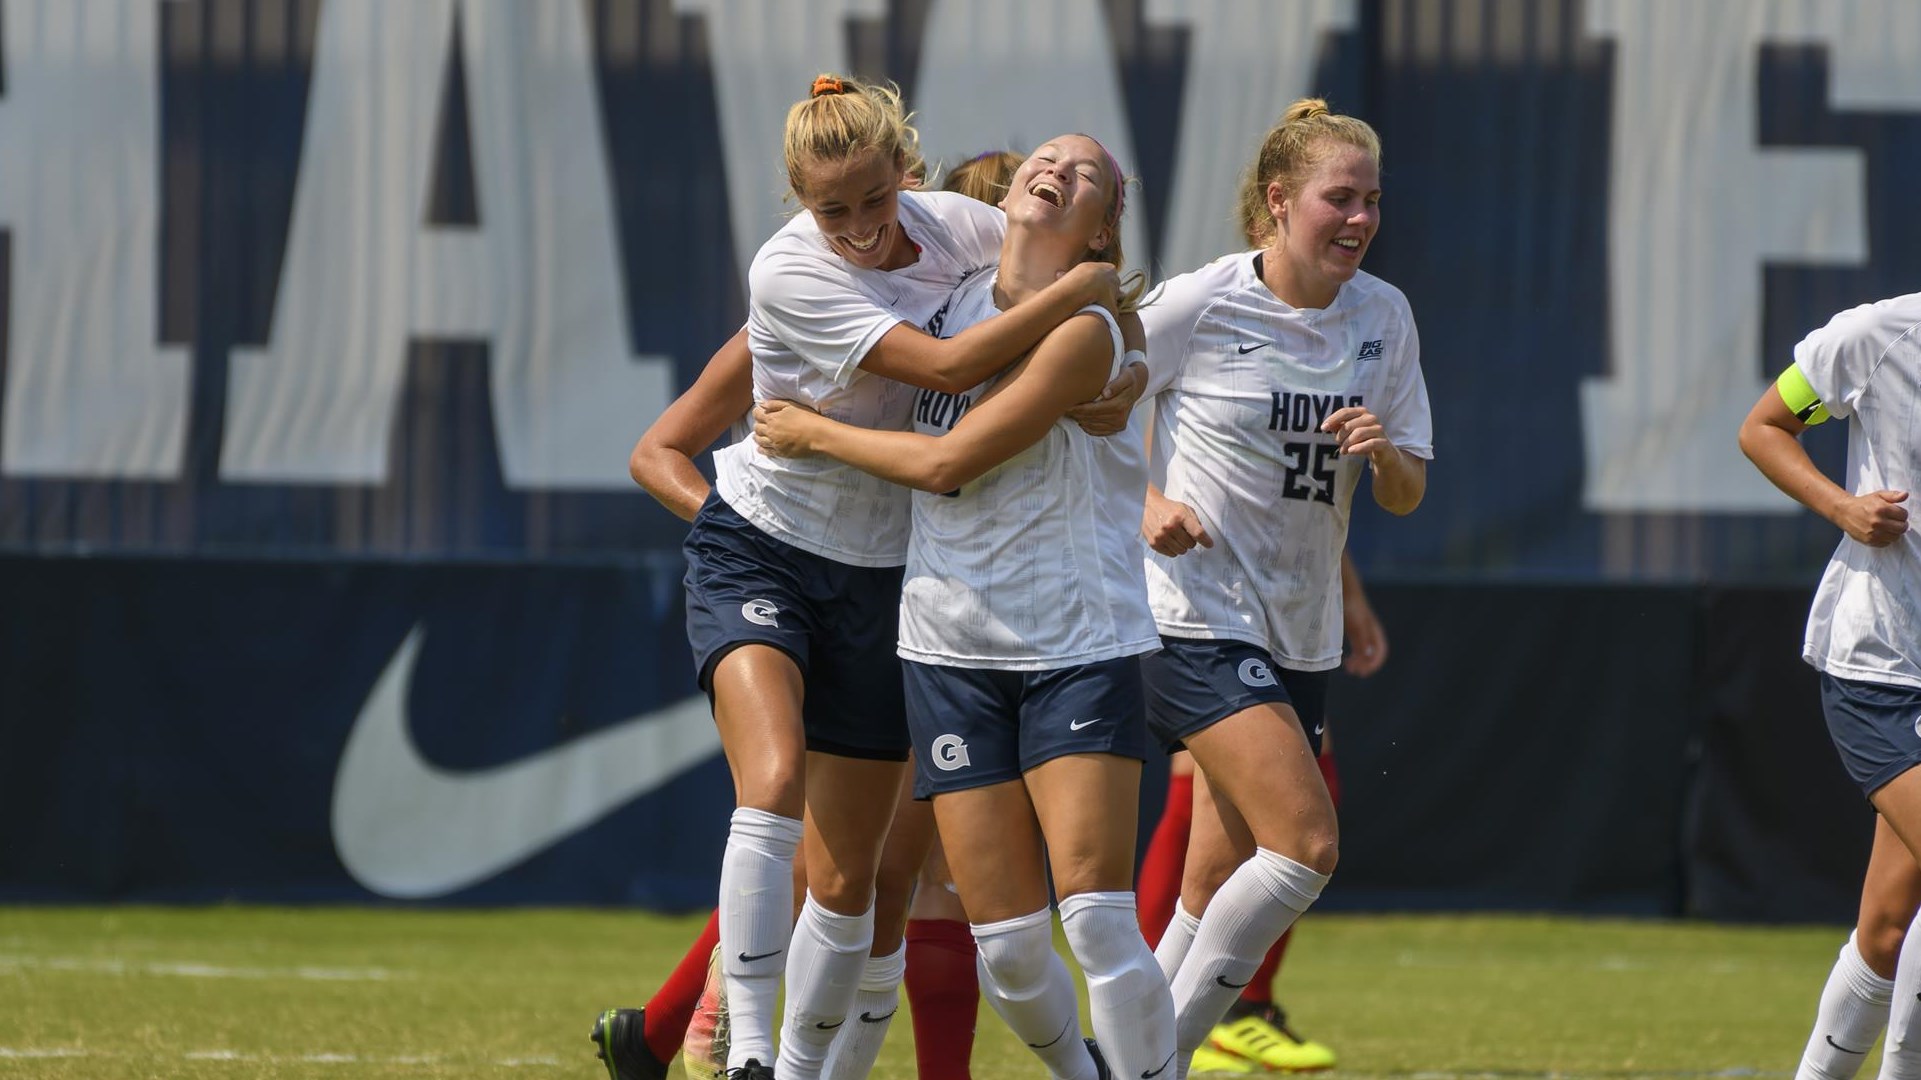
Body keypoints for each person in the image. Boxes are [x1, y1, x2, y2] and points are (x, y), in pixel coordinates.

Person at [593, 89, 1142, 1080]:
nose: (854, 227)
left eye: (873, 201)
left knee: (856, 881)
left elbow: (1092, 307)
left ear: (907, 175)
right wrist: (736, 520)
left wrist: (1122, 358)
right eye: (829, 208)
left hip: (902, 585)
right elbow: (949, 376)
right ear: (797, 199)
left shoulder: (964, 236)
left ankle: (734, 1046)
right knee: (775, 788)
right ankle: (747, 1048)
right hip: (770, 554)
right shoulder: (791, 272)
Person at [754, 132, 1178, 1080]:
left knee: (1096, 920)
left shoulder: (1087, 331)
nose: (1055, 169)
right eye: (1047, 157)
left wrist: (812, 434)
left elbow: (947, 462)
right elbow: (849, 340)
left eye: (1085, 173)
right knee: (1012, 952)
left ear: (1101, 227)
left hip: (1071, 643)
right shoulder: (946, 302)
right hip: (948, 650)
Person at [1132, 98, 1431, 1080]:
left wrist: (1382, 454)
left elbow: (1406, 494)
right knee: (1304, 844)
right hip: (1191, 616)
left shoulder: (1383, 315)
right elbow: (1078, 406)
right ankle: (1147, 1064)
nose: (1359, 218)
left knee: (1210, 880)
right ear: (1276, 201)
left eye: (1371, 200)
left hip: (1298, 627)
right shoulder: (1200, 302)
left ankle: (1134, 1061)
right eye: (1338, 198)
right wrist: (1144, 504)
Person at [1737, 291, 1921, 1079]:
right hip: (1884, 666)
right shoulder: (1877, 335)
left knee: (1885, 930)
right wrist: (1845, 508)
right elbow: (1763, 427)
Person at [1135, 553, 1383, 1074]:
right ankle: (1201, 1016)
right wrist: (1150, 512)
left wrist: (1350, 593)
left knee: (1227, 841)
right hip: (1205, 604)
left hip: (1291, 611)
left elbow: (1321, 505)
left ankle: (1157, 1024)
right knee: (1298, 839)